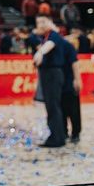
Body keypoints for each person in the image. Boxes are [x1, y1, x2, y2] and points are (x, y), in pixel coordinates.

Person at [33, 14, 66, 147]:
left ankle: (57, 138)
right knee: (50, 106)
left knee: (53, 106)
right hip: (48, 74)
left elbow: (48, 47)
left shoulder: (53, 36)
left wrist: (40, 53)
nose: (40, 25)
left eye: (43, 22)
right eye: (38, 22)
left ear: (50, 22)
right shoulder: (44, 37)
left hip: (53, 74)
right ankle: (55, 135)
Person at [60, 37, 82, 143]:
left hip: (69, 82)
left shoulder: (68, 48)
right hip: (62, 84)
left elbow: (75, 64)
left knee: (73, 110)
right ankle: (65, 131)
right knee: (63, 110)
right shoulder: (63, 48)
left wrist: (77, 79)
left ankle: (75, 133)